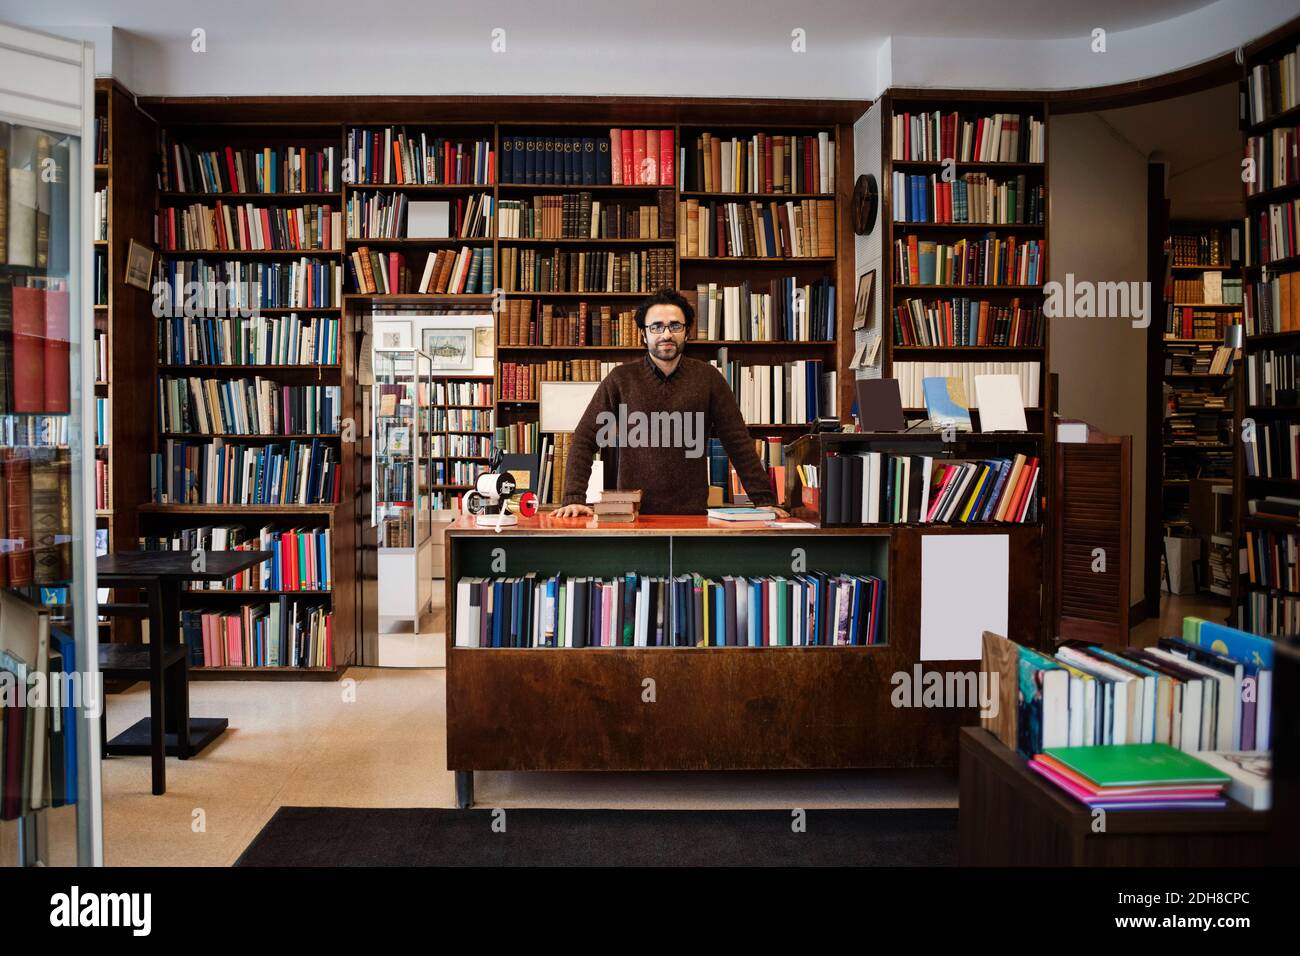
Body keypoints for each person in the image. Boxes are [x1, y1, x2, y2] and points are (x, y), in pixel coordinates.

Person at [552, 288, 790, 517]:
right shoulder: (621, 379)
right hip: (631, 517)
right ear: (643, 334)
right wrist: (574, 498)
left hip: (692, 517)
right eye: (656, 327)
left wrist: (764, 501)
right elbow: (584, 439)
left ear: (686, 332)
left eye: (675, 326)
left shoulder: (708, 378)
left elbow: (737, 441)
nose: (666, 334)